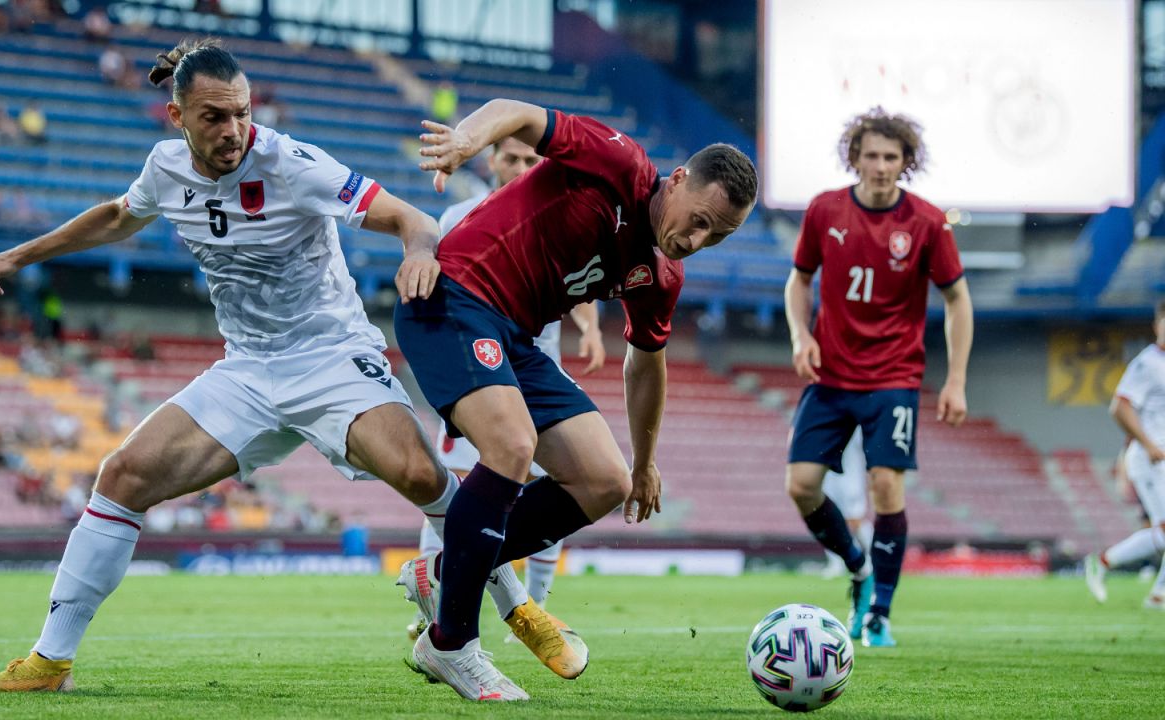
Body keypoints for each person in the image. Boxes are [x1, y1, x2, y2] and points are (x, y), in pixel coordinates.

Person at [0, 37, 459, 694]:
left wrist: (420, 250)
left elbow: (412, 217)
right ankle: (49, 662)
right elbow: (116, 216)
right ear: (178, 118)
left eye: (243, 113)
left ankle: (502, 611)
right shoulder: (166, 169)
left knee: (424, 474)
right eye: (215, 118)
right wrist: (18, 257)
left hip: (332, 357)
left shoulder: (294, 164)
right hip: (248, 371)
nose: (235, 131)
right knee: (123, 474)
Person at [393, 98, 757, 701]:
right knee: (513, 445)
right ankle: (450, 644)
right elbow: (515, 112)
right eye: (698, 220)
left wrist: (645, 463)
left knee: (603, 481)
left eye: (717, 236)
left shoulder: (660, 274)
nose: (697, 240)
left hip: (514, 336)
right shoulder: (618, 162)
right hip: (452, 297)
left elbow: (646, 361)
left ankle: (442, 569)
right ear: (678, 181)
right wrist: (464, 140)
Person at [783, 107, 974, 649]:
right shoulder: (825, 210)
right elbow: (798, 282)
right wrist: (801, 335)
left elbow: (958, 300)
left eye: (892, 156)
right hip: (831, 375)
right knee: (800, 486)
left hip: (894, 375)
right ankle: (857, 568)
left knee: (885, 486)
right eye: (871, 155)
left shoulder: (928, 223)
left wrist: (955, 379)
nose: (881, 165)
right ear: (855, 157)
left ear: (906, 162)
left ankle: (878, 616)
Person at [408, 136, 607, 640]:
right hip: (476, 365)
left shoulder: (558, 214)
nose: (520, 167)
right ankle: (434, 605)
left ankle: (531, 607)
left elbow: (582, 278)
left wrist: (591, 326)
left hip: (535, 367)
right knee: (454, 483)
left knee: (546, 482)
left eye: (531, 160)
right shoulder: (461, 215)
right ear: (492, 159)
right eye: (511, 158)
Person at [1085, 299, 1165, 610]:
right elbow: (1119, 406)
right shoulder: (1147, 363)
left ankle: (1159, 594)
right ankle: (1103, 562)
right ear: (1157, 324)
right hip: (1149, 458)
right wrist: (1147, 444)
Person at [819, 427, 872, 579]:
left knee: (854, 521)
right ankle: (835, 562)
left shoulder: (856, 421)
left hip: (850, 476)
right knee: (827, 519)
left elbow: (865, 446)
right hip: (829, 475)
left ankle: (869, 557)